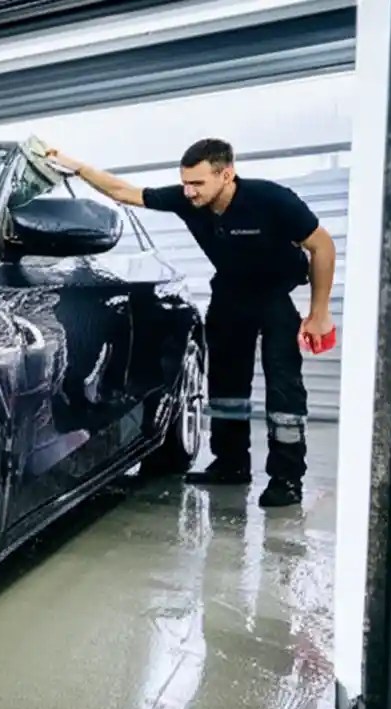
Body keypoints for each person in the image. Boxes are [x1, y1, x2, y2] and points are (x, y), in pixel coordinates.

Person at [46, 139, 337, 507]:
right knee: (226, 386)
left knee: (284, 389)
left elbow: (322, 246)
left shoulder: (272, 199)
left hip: (274, 296)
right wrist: (77, 167)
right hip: (230, 294)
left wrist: (319, 313)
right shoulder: (188, 201)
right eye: (185, 182)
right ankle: (231, 464)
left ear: (226, 174)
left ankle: (287, 479)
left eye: (197, 183)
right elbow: (124, 192)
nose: (189, 191)